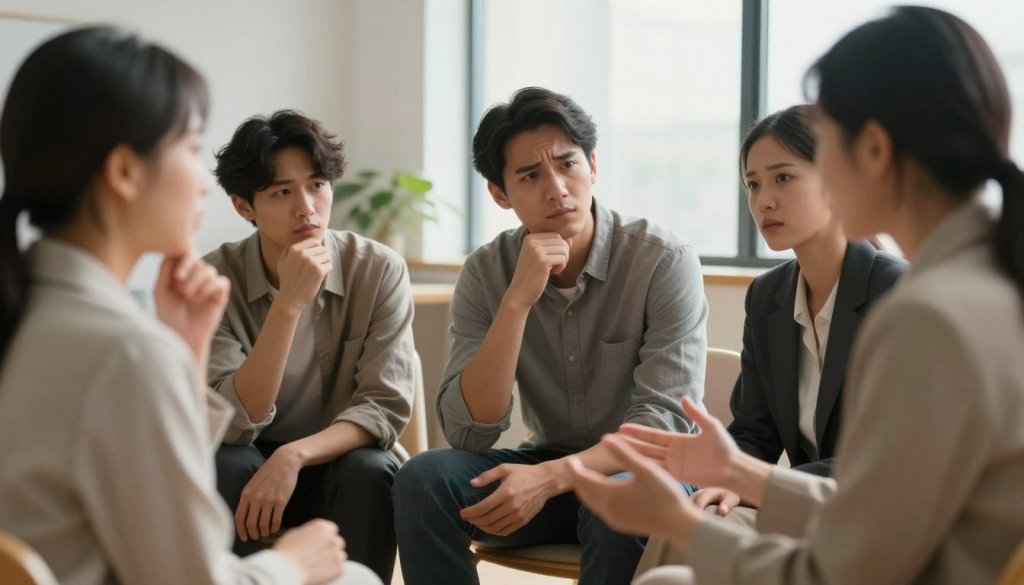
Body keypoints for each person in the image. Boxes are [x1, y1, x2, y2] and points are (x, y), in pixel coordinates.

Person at [568, 7, 1024, 585]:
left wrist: (679, 523)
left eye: (822, 149)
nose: (765, 200)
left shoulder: (925, 312)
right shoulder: (987, 278)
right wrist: (739, 472)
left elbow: (847, 567)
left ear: (874, 150)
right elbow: (880, 513)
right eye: (753, 184)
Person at [0, 27, 379, 585]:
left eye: (316, 184)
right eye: (191, 148)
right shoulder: (125, 352)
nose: (204, 182)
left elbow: (139, 479)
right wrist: (293, 563)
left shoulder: (32, 309)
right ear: (125, 172)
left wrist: (187, 353)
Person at [392, 86, 708, 585]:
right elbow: (468, 432)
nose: (557, 188)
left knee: (622, 500)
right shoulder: (486, 271)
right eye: (530, 175)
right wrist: (516, 301)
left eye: (568, 165)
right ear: (500, 193)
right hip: (550, 462)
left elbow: (662, 427)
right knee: (423, 479)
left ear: (593, 166)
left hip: (647, 474)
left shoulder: (663, 259)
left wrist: (549, 478)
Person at [636, 104, 905, 576]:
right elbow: (754, 433)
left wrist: (755, 483)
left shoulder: (898, 293)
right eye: (753, 184)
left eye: (783, 178)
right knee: (691, 517)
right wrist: (731, 480)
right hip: (801, 505)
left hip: (878, 515)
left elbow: (888, 459)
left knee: (698, 532)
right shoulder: (768, 296)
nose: (763, 201)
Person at [206, 110, 415, 583]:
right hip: (249, 459)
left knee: (372, 469)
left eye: (317, 185)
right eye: (282, 192)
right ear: (243, 206)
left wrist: (294, 456)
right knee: (225, 463)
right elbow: (234, 420)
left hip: (333, 459)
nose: (307, 208)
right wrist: (287, 305)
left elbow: (383, 407)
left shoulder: (377, 269)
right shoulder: (215, 280)